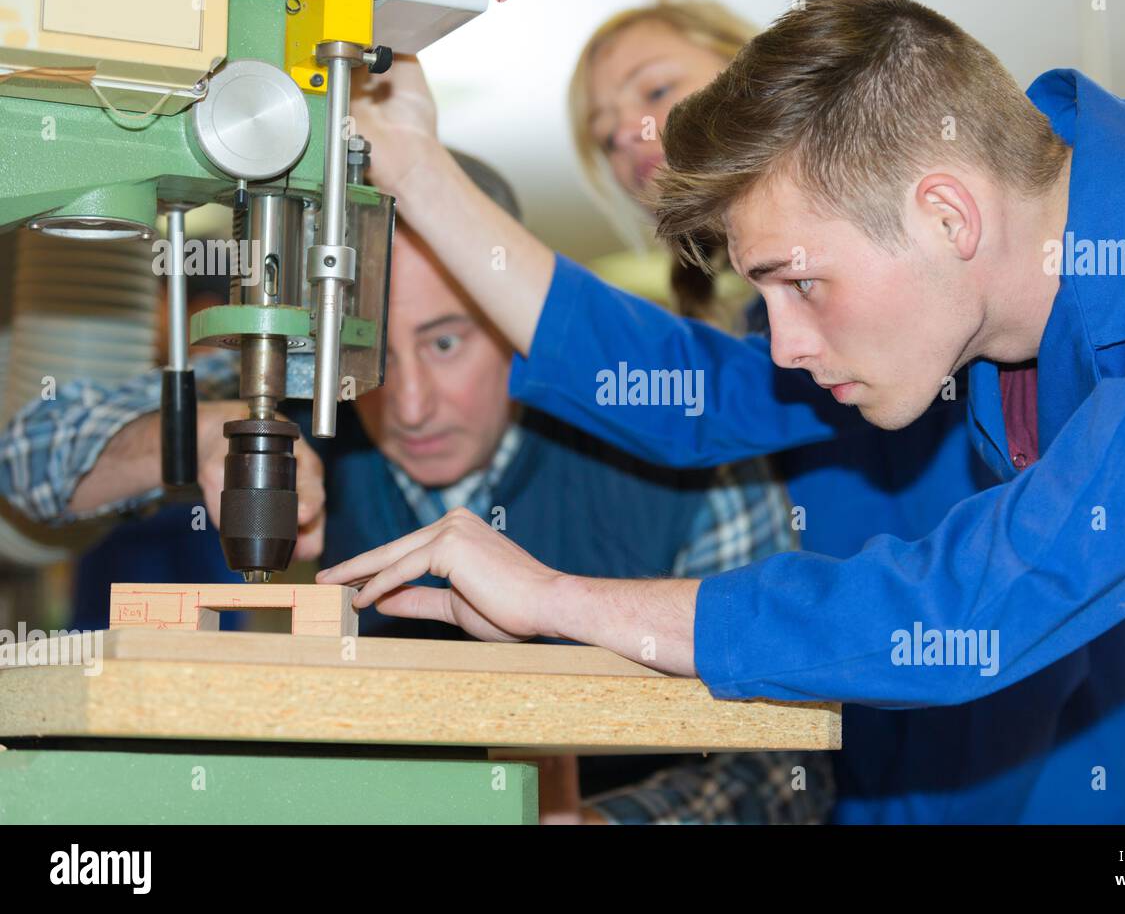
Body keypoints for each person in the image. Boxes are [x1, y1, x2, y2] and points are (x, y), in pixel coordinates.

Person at [327, 0, 1125, 822]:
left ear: (947, 213)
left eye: (800, 283)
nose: (784, 342)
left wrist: (559, 600)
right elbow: (700, 392)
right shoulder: (985, 313)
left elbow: (981, 602)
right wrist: (414, 166)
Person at [0, 158, 829, 825]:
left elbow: (787, 768)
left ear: (520, 321)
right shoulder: (305, 391)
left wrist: (613, 823)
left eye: (444, 342)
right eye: (373, 351)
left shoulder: (689, 455)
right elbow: (26, 456)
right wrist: (201, 431)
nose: (410, 400)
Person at [559, 0, 1125, 824]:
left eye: (656, 95)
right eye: (605, 132)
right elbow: (684, 388)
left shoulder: (945, 328)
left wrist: (562, 599)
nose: (635, 140)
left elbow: (988, 614)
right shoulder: (839, 332)